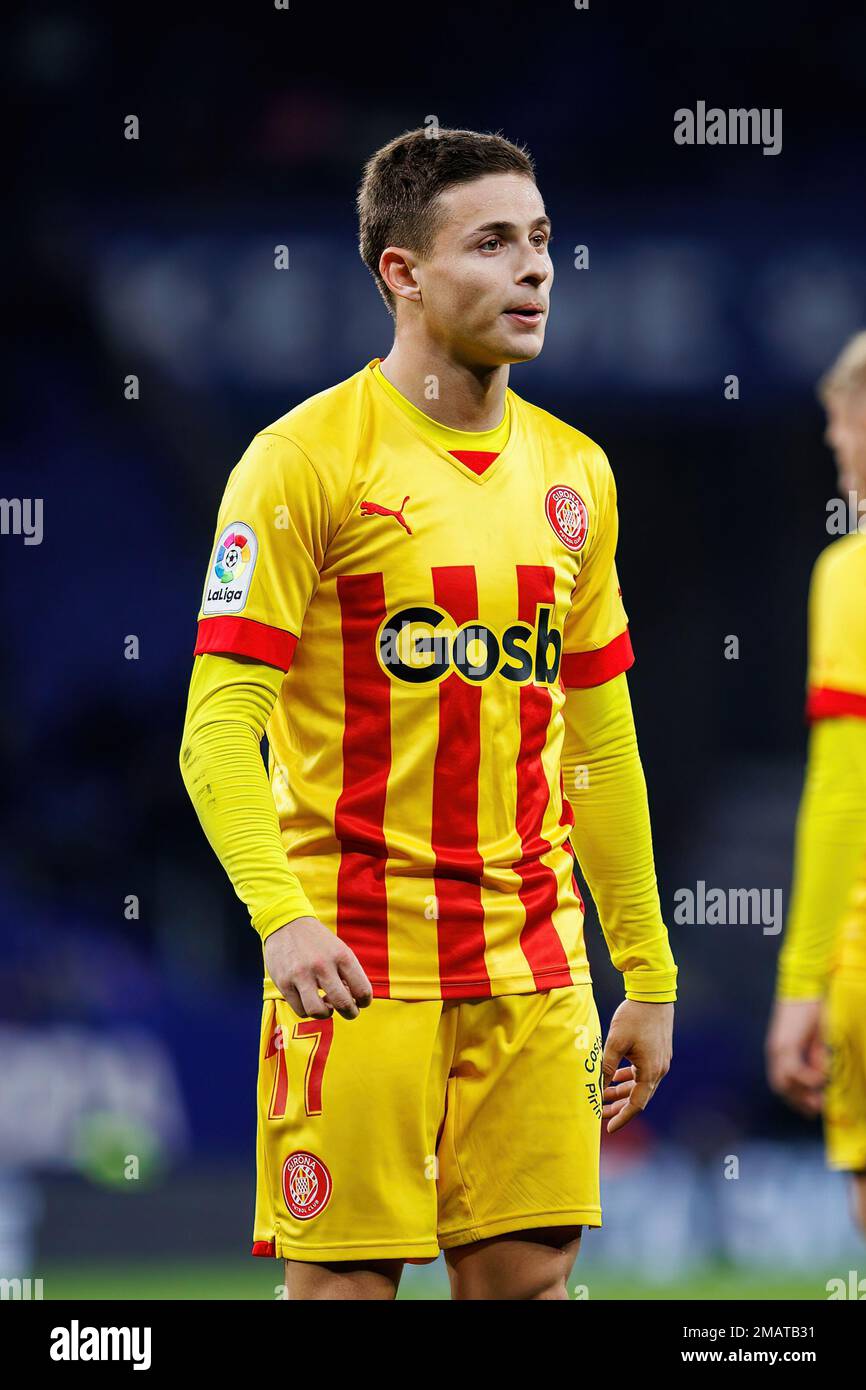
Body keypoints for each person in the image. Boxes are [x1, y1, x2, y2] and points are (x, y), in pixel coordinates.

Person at [180, 127, 677, 1300]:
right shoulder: (300, 463)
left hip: (533, 969)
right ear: (400, 273)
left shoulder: (576, 477)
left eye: (543, 241)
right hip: (357, 966)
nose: (535, 270)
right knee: (345, 1292)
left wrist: (645, 973)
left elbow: (599, 746)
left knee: (529, 1289)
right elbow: (215, 730)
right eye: (493, 243)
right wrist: (280, 918)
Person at [767, 331, 866, 1238]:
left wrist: (801, 984)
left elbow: (844, 795)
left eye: (843, 432)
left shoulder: (851, 574)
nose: (839, 454)